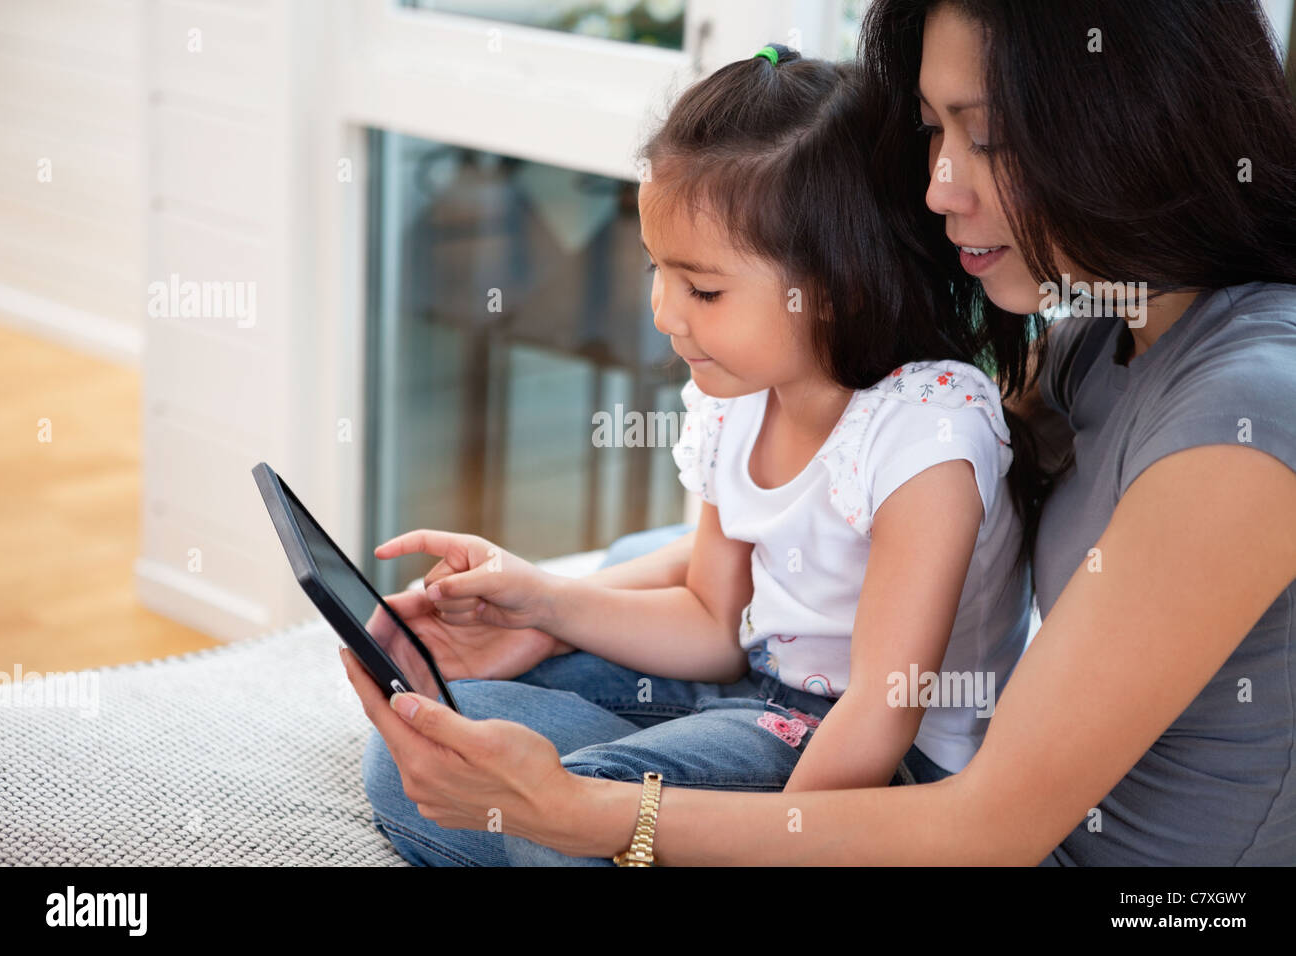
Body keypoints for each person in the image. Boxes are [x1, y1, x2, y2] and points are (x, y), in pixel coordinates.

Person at [346, 0, 1296, 865]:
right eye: (932, 132)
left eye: (989, 136)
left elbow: (987, 829)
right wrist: (543, 602)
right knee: (430, 746)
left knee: (517, 818)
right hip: (852, 730)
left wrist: (573, 811)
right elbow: (816, 552)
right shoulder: (1100, 317)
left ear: (1140, 116)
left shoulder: (1246, 415)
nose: (938, 188)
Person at [359, 40, 1038, 866]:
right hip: (759, 691)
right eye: (658, 270)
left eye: (703, 289)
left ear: (838, 285)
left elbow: (880, 711)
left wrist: (756, 841)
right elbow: (716, 622)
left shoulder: (924, 432)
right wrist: (539, 605)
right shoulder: (742, 394)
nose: (663, 314)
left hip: (875, 762)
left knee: (564, 807)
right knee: (432, 747)